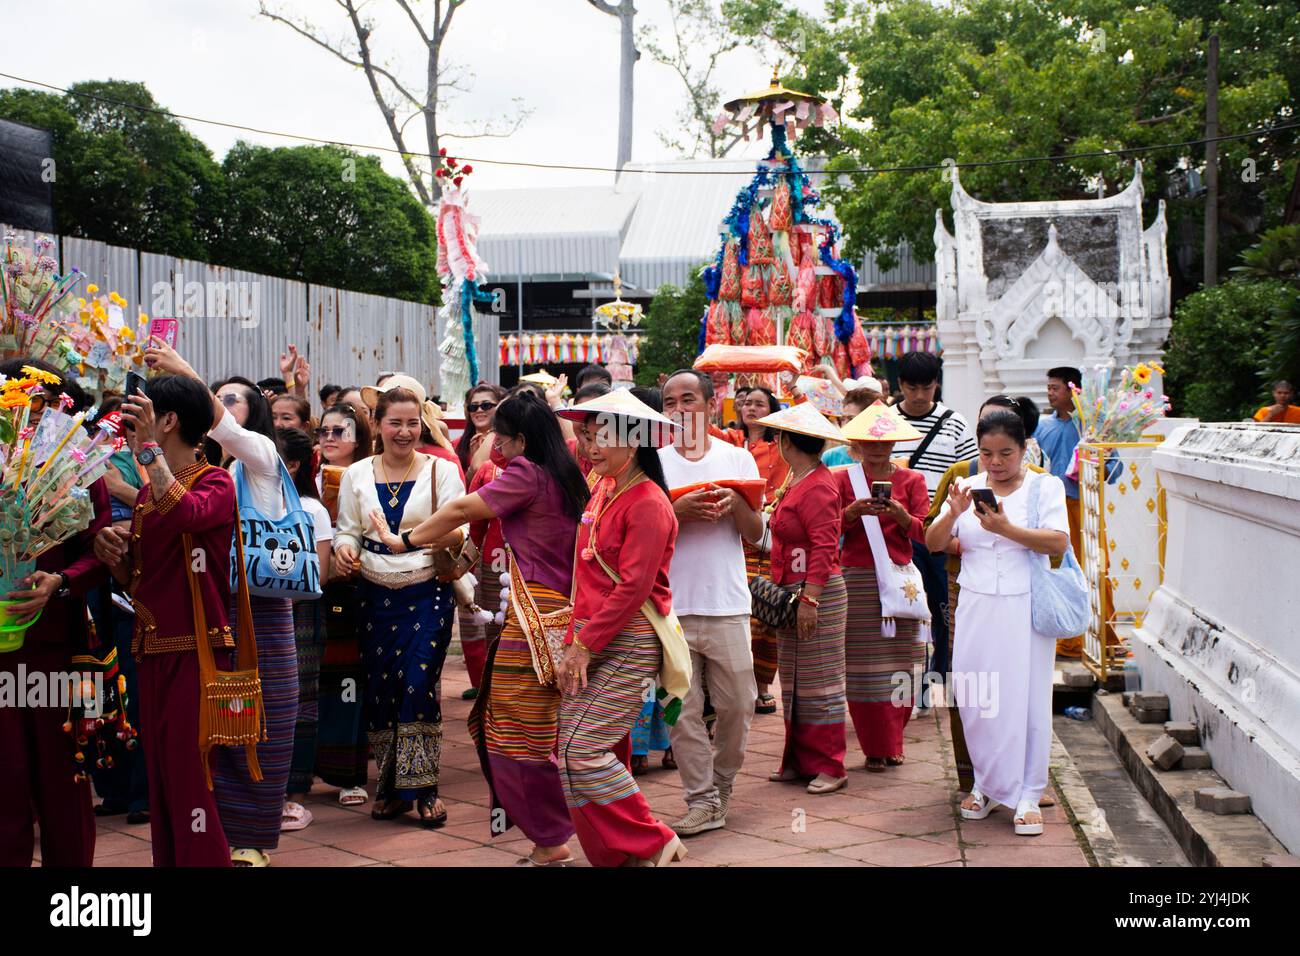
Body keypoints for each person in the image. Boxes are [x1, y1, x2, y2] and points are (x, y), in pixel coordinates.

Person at [372, 390, 588, 866]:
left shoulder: (526, 473)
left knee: (511, 732)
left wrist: (401, 539)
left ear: (521, 441)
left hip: (532, 619)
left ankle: (552, 839)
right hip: (553, 613)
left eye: (501, 440)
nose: (497, 449)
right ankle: (547, 837)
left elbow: (461, 511)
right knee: (523, 729)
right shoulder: (565, 474)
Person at [147, 343, 299, 868]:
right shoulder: (197, 468)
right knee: (203, 740)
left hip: (255, 614)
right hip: (201, 612)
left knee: (251, 722)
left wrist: (180, 372)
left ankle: (249, 839)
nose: (223, 404)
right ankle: (213, 838)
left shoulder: (258, 459)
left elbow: (218, 425)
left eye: (234, 398)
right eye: (218, 396)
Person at [92, 374, 238, 867]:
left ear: (168, 421)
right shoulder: (146, 495)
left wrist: (149, 451)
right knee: (162, 780)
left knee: (190, 778)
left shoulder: (216, 481)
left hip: (198, 651)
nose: (129, 427)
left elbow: (187, 516)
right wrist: (112, 555)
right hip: (152, 651)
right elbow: (139, 583)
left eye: (142, 414)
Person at [552, 389, 690, 866]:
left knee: (580, 750)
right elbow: (585, 575)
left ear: (633, 444)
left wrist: (584, 645)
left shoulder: (649, 502)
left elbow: (633, 588)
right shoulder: (604, 487)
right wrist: (575, 639)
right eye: (588, 435)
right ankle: (617, 854)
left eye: (601, 437)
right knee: (572, 750)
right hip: (593, 635)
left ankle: (651, 838)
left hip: (626, 639)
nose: (590, 447)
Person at [925, 410, 1070, 837]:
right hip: (974, 603)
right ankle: (986, 785)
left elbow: (1058, 541)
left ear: (1024, 448)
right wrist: (952, 514)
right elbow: (934, 543)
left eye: (1006, 452)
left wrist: (1008, 529)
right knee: (976, 697)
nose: (996, 462)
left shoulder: (1046, 486)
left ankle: (1028, 792)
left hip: (1024, 608)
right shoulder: (967, 487)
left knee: (1025, 699)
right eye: (987, 453)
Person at [333, 387, 466, 828]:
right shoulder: (355, 474)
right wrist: (345, 549)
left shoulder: (441, 471)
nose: (404, 432)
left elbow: (457, 531)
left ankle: (425, 789)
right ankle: (391, 787)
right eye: (395, 422)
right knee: (381, 689)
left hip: (426, 591)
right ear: (378, 424)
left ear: (422, 425)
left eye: (413, 423)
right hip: (373, 595)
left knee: (418, 680)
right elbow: (347, 529)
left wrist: (411, 540)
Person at [0, 361, 111, 867]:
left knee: (68, 780)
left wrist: (61, 582)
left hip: (68, 652)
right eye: (19, 403)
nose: (30, 415)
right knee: (5, 783)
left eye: (42, 404)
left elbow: (99, 549)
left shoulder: (81, 469)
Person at [658, 370, 763, 836]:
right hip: (668, 608)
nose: (680, 408)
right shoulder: (651, 464)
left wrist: (736, 502)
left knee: (740, 703)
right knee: (679, 710)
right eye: (670, 401)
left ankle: (721, 787)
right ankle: (701, 799)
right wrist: (673, 511)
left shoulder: (738, 458)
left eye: (688, 399)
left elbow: (758, 535)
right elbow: (632, 533)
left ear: (709, 402)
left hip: (727, 603)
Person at [756, 403, 850, 795]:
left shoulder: (819, 485)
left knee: (822, 681)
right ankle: (799, 759)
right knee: (794, 681)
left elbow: (825, 547)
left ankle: (831, 765)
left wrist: (811, 599)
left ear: (785, 442)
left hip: (815, 594)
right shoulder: (799, 480)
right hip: (793, 593)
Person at [835, 402, 930, 772]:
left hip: (899, 580)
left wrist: (900, 516)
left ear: (895, 443)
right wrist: (853, 513)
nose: (878, 447)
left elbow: (924, 532)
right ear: (856, 442)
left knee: (901, 665)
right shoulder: (843, 480)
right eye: (871, 441)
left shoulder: (913, 481)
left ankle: (894, 740)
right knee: (861, 668)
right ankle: (875, 746)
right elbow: (829, 529)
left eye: (886, 440)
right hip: (857, 579)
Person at [889, 351, 977, 706]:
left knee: (943, 608)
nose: (920, 394)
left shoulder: (955, 423)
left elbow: (969, 475)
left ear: (936, 385)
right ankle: (898, 684)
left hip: (940, 529)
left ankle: (934, 680)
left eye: (927, 387)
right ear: (900, 386)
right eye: (912, 387)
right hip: (895, 528)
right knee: (900, 607)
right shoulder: (883, 422)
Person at [1034, 366, 1119, 658]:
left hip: (1085, 506)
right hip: (1050, 509)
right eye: (1048, 388)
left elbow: (1115, 468)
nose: (1049, 393)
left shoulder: (1091, 426)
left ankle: (1105, 636)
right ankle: (1068, 638)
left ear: (1073, 391)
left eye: (1055, 388)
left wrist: (1099, 462)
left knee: (1096, 567)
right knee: (1059, 570)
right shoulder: (1042, 427)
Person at [313, 402, 374, 807]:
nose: (331, 438)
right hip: (312, 587)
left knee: (351, 679)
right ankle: (312, 766)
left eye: (341, 431)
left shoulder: (369, 476)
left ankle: (351, 773)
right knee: (316, 679)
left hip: (357, 583)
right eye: (325, 431)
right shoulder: (305, 476)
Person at [277, 428, 334, 832]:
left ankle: (295, 796)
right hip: (256, 614)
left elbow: (322, 571)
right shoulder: (247, 503)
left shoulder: (312, 510)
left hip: (299, 615)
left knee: (301, 703)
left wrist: (278, 594)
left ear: (293, 464)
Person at [723, 385, 790, 714]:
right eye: (746, 403)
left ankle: (763, 684)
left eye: (759, 403)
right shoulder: (730, 440)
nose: (750, 408)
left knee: (766, 615)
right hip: (735, 536)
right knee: (740, 614)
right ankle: (741, 686)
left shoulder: (782, 446)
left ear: (772, 410)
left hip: (771, 538)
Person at [822, 383, 884, 467]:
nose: (844, 425)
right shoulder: (830, 457)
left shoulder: (884, 456)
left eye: (851, 419)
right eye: (843, 419)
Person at [456, 383, 507, 475]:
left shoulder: (509, 443)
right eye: (473, 407)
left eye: (486, 405)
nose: (479, 410)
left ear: (499, 407)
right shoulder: (457, 445)